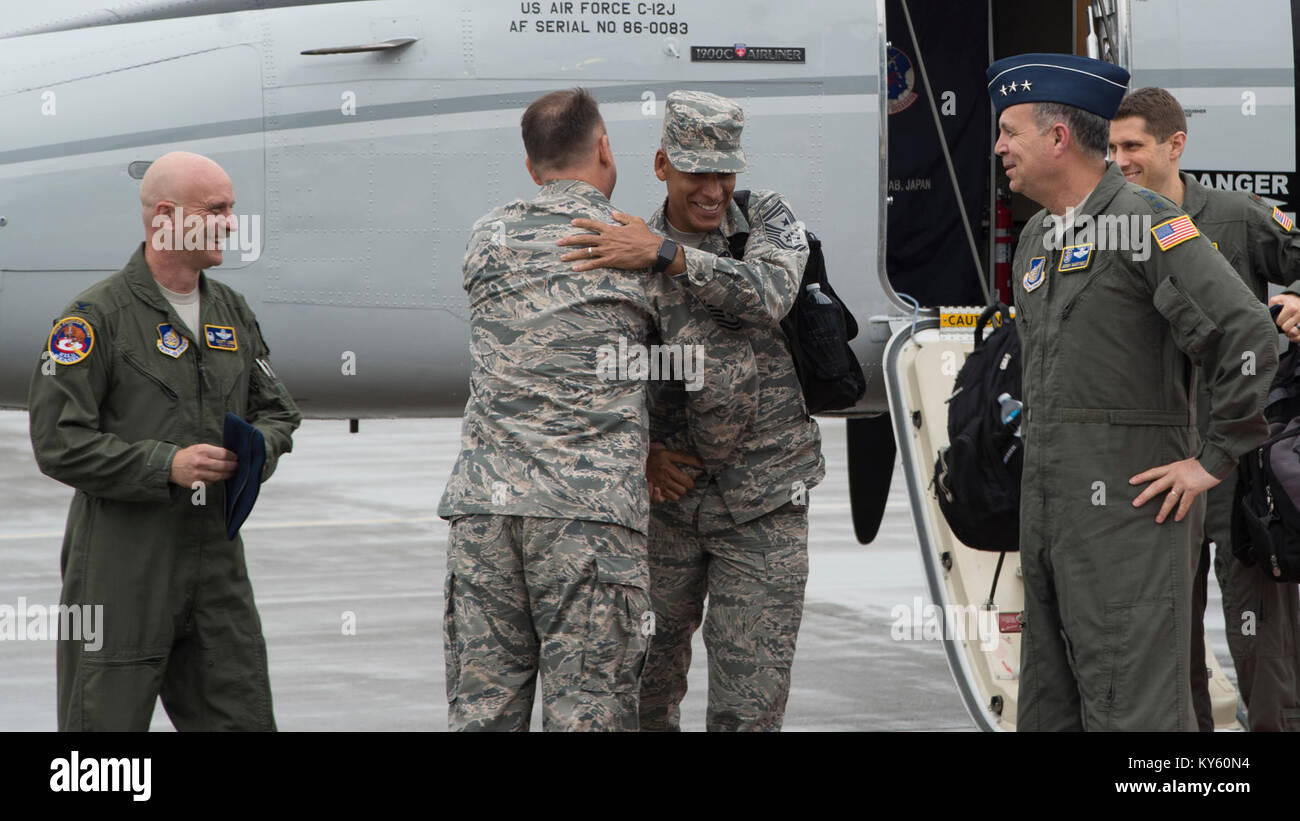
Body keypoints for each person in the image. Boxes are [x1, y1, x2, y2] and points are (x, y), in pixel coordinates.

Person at [436, 88, 757, 732]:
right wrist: (674, 455)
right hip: (589, 519)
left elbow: (536, 350)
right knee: (590, 711)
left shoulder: (486, 238)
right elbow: (706, 376)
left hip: (485, 512)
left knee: (482, 711)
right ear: (605, 149)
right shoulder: (630, 249)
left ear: (532, 166)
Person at [988, 54, 1277, 731]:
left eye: (1010, 130)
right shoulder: (1037, 236)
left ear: (1058, 137)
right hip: (1052, 527)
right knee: (1049, 711)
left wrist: (1212, 458)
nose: (999, 146)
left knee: (1136, 717)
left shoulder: (1146, 223)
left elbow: (1245, 334)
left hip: (1127, 528)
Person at [558, 90, 825, 731]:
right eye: (696, 172)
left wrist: (668, 255)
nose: (713, 189)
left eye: (724, 172)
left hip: (764, 502)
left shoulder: (765, 219)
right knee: (645, 695)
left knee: (749, 708)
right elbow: (605, 370)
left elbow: (769, 295)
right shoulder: (625, 249)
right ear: (661, 166)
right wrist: (644, 451)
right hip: (667, 510)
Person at [28, 151, 301, 731]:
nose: (232, 222)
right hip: (121, 567)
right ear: (168, 217)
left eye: (232, 208)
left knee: (241, 716)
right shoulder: (93, 319)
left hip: (217, 565)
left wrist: (256, 450)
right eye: (218, 209)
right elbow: (58, 441)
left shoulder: (233, 311)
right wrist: (164, 465)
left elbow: (277, 411)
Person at [1110, 86, 1300, 732]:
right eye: (1111, 148)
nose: (1120, 160)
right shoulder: (1113, 228)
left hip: (1235, 456)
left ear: (1175, 145)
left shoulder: (1234, 217)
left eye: (1132, 145)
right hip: (1155, 460)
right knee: (1167, 636)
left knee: (1260, 626)